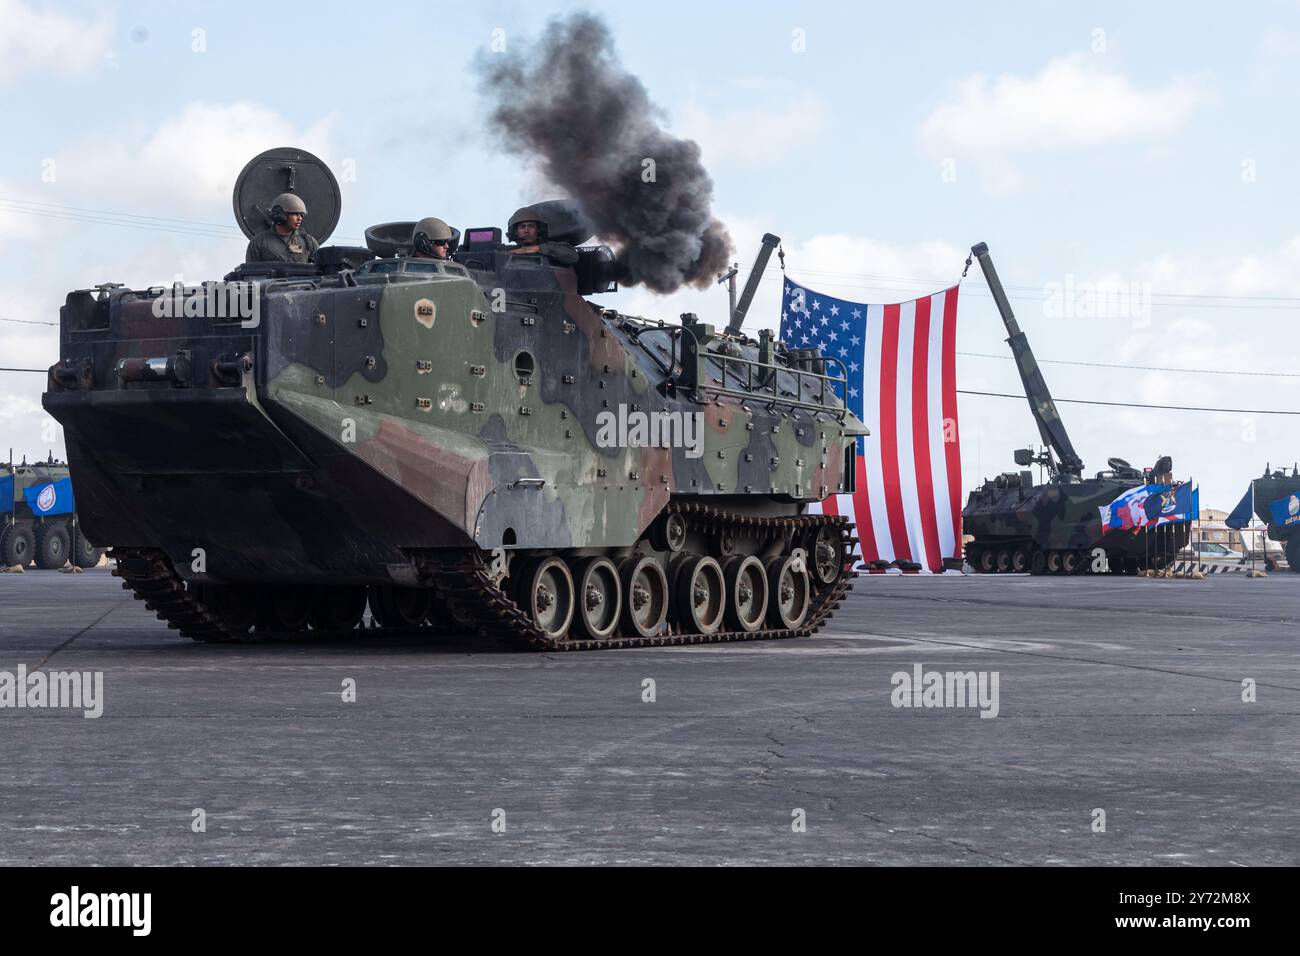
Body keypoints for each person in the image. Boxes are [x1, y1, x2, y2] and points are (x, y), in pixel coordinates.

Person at [245, 193, 319, 264]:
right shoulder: (258, 243)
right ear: (280, 215)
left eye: (301, 215)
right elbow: (251, 273)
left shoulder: (309, 242)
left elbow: (322, 271)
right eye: (295, 214)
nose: (300, 218)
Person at [507, 205, 578, 267]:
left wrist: (539, 248)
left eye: (531, 226)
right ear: (516, 232)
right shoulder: (509, 251)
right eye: (522, 227)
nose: (526, 231)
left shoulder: (551, 248)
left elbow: (573, 257)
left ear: (538, 230)